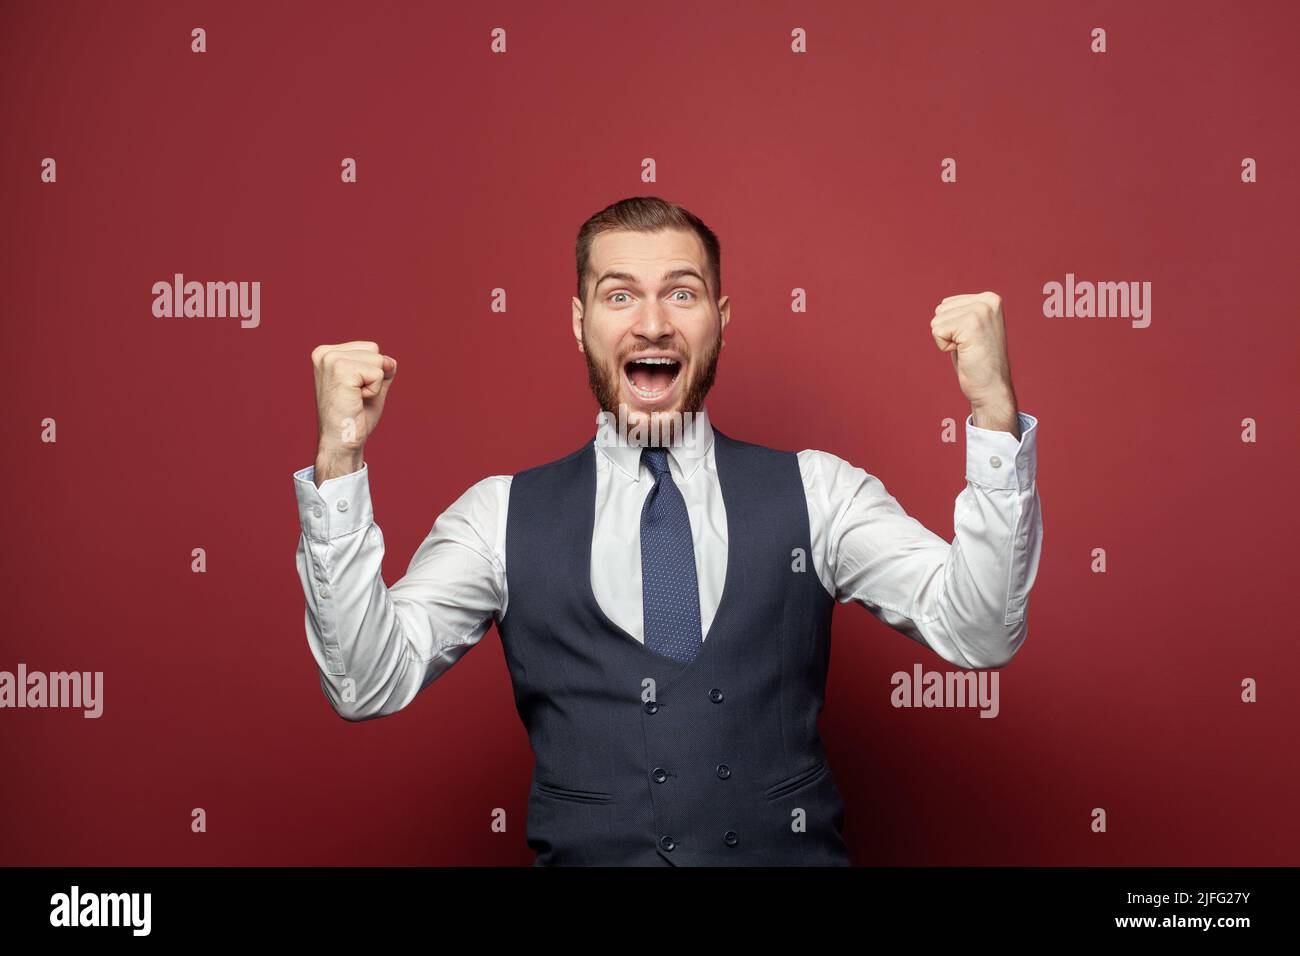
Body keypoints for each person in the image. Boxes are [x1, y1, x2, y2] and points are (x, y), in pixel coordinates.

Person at [292, 196, 1043, 866]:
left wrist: (993, 414)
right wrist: (339, 460)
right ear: (580, 322)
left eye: (681, 294)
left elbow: (979, 633)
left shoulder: (819, 492)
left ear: (720, 316)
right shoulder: (498, 516)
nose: (652, 322)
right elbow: (365, 684)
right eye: (619, 295)